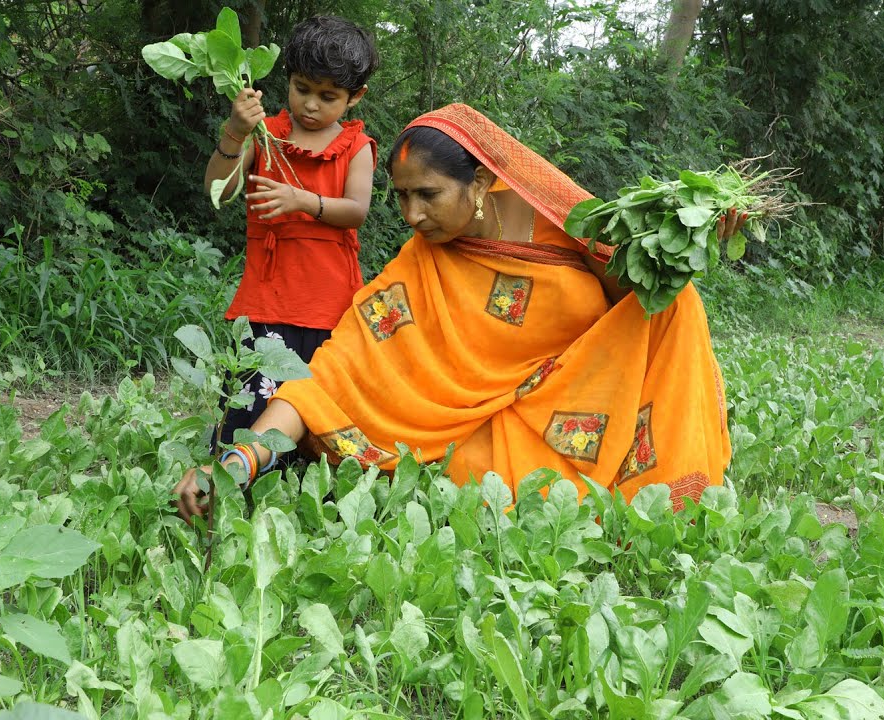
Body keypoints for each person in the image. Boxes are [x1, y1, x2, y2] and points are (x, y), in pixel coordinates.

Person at [177, 103, 743, 521]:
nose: (411, 214)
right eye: (400, 196)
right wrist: (237, 464)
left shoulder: (567, 225)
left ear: (480, 183)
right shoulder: (418, 266)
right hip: (483, 435)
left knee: (678, 303)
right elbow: (325, 379)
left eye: (427, 194)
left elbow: (641, 300)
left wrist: (687, 245)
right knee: (480, 485)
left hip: (582, 411)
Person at [205, 15, 379, 446]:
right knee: (248, 407)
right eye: (302, 89)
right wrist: (237, 131)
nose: (312, 105)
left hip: (329, 305)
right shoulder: (267, 134)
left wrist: (301, 201)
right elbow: (219, 190)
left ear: (355, 97)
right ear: (288, 80)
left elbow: (357, 210)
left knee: (317, 407)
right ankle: (236, 470)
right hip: (268, 300)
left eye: (328, 96)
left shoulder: (355, 147)